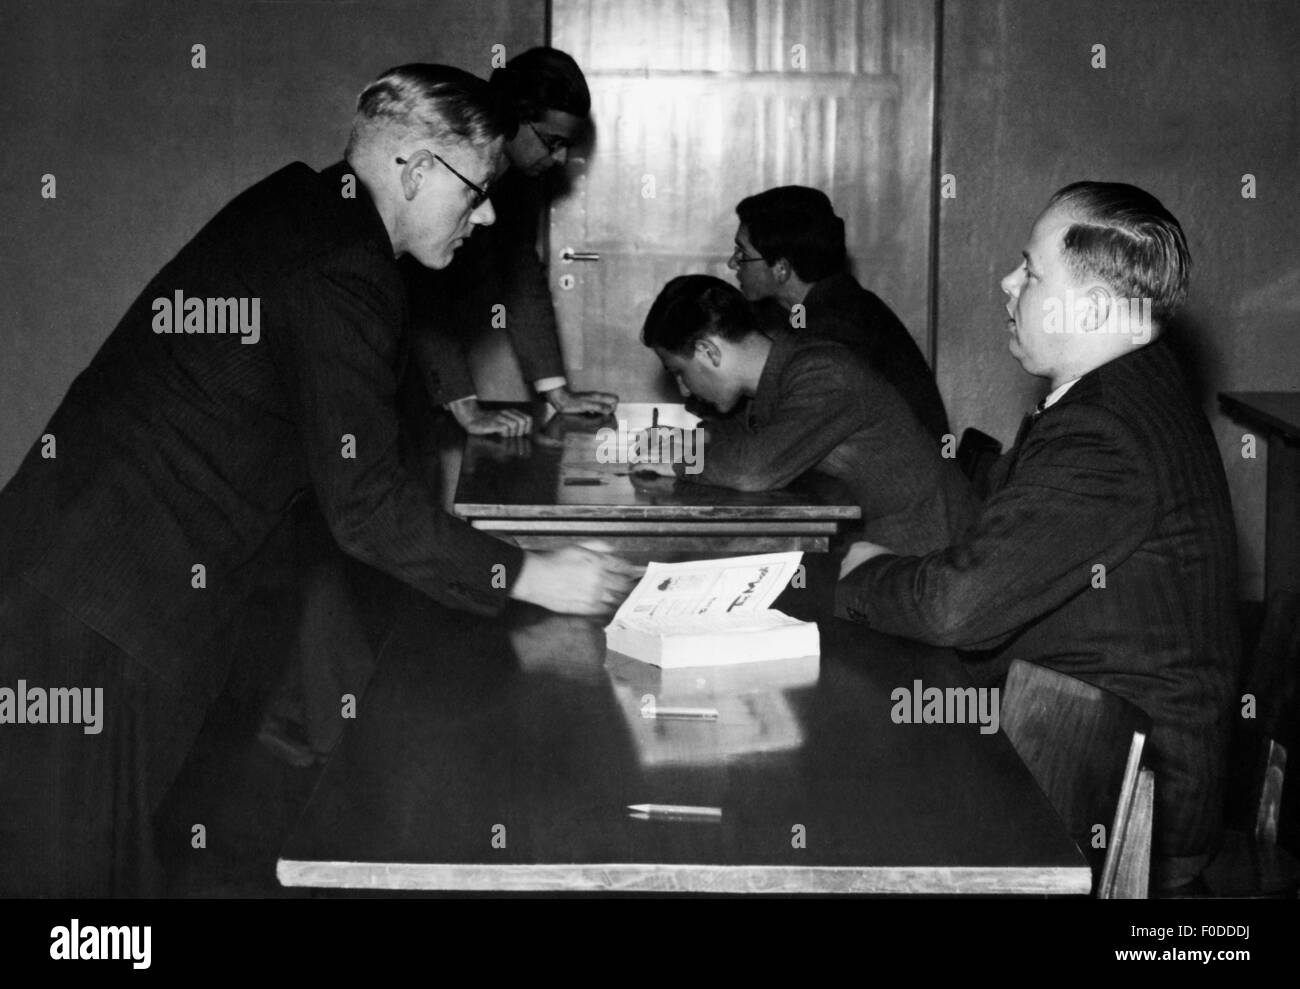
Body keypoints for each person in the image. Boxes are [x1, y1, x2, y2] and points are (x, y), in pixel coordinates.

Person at [0, 64, 639, 897]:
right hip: (100, 611)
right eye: (476, 191)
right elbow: (366, 505)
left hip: (86, 583)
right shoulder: (344, 265)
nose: (483, 216)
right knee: (77, 902)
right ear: (414, 170)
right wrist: (534, 573)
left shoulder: (305, 208)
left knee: (101, 883)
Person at [836, 182, 1240, 895]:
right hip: (1081, 745)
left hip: (1121, 807)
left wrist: (863, 574)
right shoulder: (1124, 390)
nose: (1007, 282)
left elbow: (956, 608)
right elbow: (1000, 552)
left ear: (1090, 308)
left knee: (856, 797)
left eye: (1030, 270)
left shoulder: (1105, 430)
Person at [640, 275, 974, 557]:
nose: (683, 389)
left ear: (708, 351)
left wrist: (681, 456)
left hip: (928, 560)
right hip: (880, 550)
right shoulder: (779, 374)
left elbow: (751, 470)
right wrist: (688, 443)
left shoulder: (822, 372)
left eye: (679, 372)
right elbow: (733, 440)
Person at [407, 47, 617, 438]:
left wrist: (557, 393)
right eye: (552, 141)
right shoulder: (449, 165)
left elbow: (519, 271)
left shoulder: (519, 180)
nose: (560, 159)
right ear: (512, 120)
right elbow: (421, 289)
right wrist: (463, 402)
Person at [729, 186, 951, 443]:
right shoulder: (830, 306)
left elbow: (779, 443)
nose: (732, 263)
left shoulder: (837, 329)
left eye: (742, 254)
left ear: (781, 269)